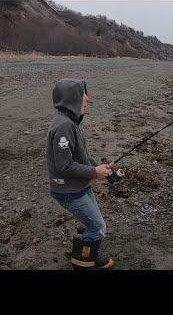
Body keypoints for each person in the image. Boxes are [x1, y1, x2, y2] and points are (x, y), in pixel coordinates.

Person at [46, 78, 114, 270]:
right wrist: (94, 171)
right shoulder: (63, 126)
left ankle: (90, 255)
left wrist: (99, 167)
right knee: (97, 228)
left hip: (80, 186)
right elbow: (64, 166)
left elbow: (81, 155)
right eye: (83, 94)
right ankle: (82, 264)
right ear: (71, 99)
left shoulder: (75, 121)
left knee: (99, 226)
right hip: (67, 189)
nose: (87, 99)